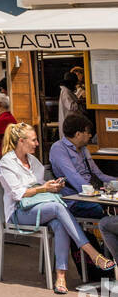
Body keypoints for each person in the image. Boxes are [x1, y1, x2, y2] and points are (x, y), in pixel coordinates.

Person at [0, 122, 114, 294]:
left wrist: (51, 186)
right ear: (21, 141)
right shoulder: (6, 163)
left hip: (41, 207)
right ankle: (92, 253)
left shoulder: (34, 161)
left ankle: (61, 276)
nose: (37, 144)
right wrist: (44, 188)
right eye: (34, 140)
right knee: (59, 208)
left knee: (60, 223)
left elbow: (39, 187)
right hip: (18, 212)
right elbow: (18, 194)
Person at [49, 112, 118, 266]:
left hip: (93, 195)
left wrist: (115, 182)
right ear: (78, 133)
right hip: (75, 201)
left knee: (112, 213)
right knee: (109, 215)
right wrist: (100, 194)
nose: (90, 135)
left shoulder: (83, 149)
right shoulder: (59, 149)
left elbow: (98, 174)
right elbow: (75, 179)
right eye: (88, 132)